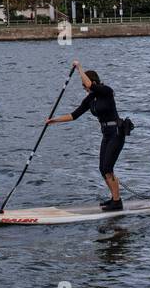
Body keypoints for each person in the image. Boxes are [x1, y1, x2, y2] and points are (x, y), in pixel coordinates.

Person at [45, 59, 132, 211]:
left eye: (84, 84)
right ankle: (114, 199)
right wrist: (54, 120)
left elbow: (91, 85)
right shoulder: (90, 99)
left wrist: (79, 68)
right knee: (102, 168)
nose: (84, 87)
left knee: (107, 167)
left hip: (116, 133)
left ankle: (117, 203)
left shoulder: (106, 91)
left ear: (91, 81)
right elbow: (74, 115)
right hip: (106, 134)